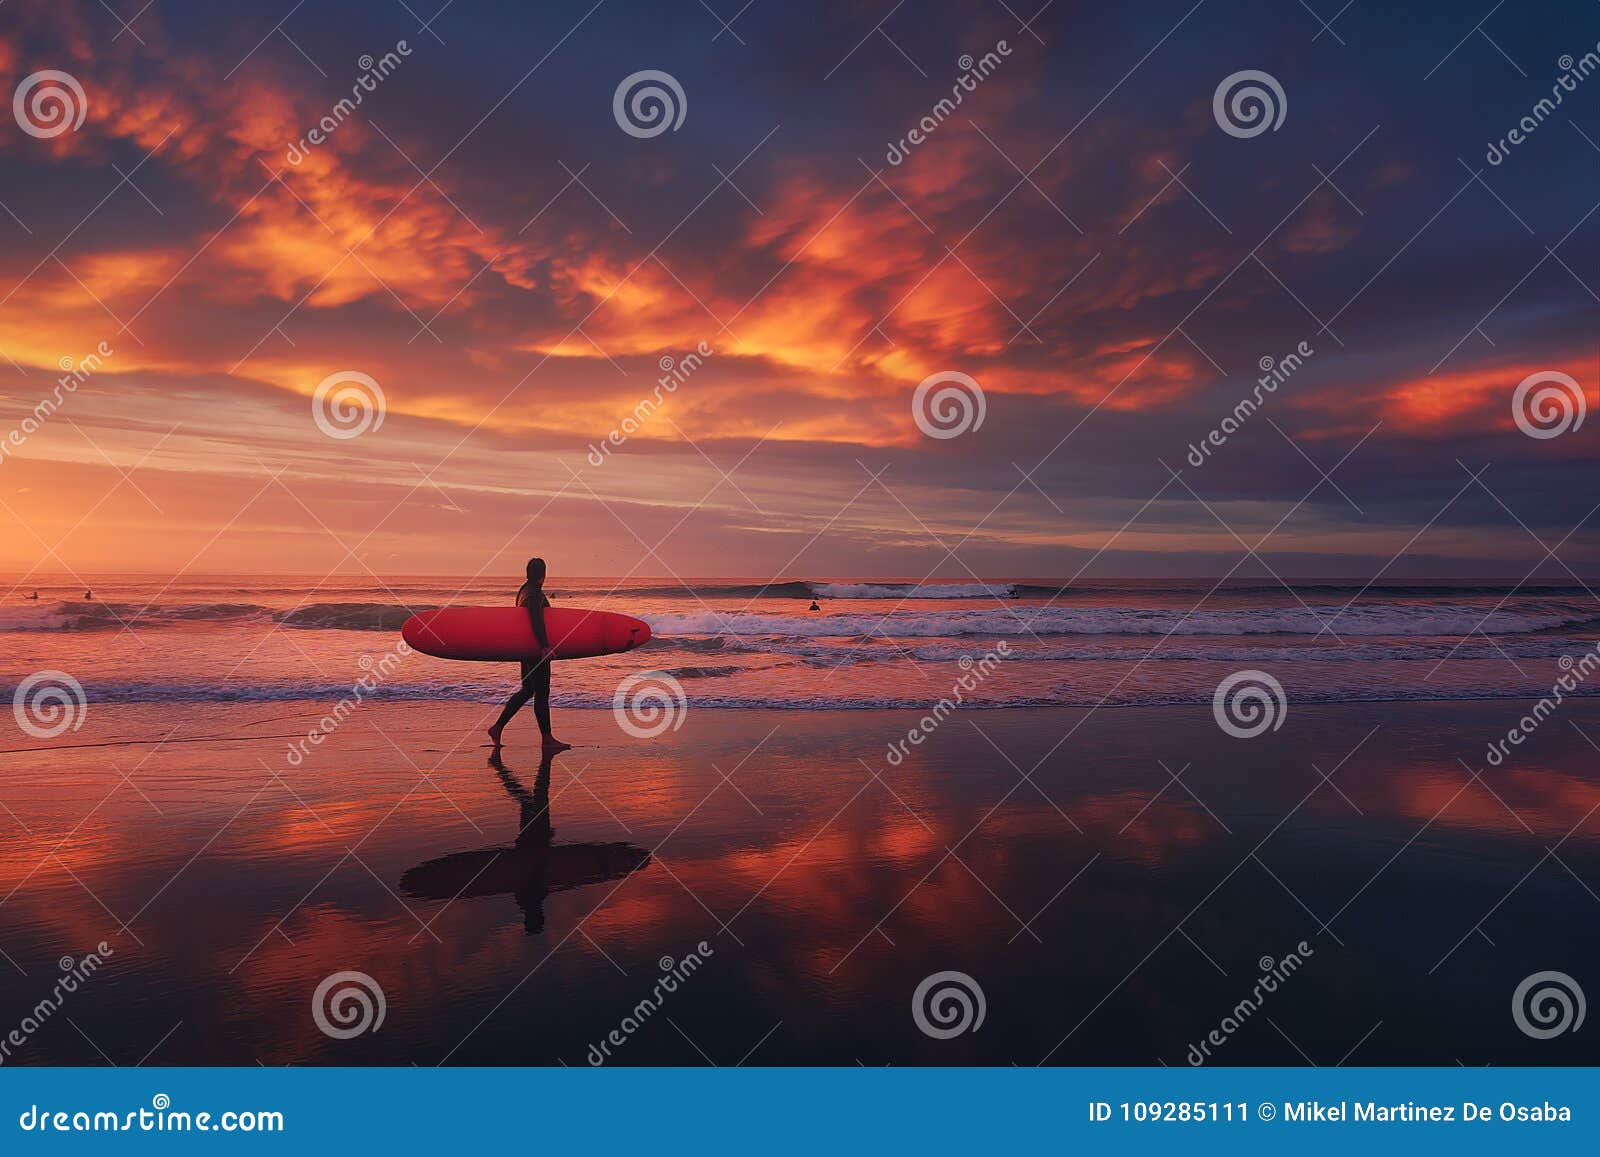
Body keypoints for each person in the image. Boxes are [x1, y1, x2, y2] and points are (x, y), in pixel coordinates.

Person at [487, 558, 570, 751]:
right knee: (541, 693)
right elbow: (536, 619)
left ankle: (497, 728)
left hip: (526, 649)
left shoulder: (524, 590)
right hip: (535, 650)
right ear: (543, 574)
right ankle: (547, 738)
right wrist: (544, 646)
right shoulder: (534, 594)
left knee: (528, 690)